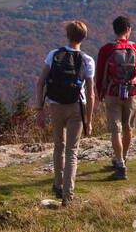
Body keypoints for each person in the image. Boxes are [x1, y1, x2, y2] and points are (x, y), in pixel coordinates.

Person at [37, 19, 96, 206]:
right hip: (76, 107)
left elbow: (40, 83)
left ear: (67, 35)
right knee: (72, 151)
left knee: (58, 146)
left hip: (55, 106)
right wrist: (89, 119)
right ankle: (68, 196)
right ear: (84, 37)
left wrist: (39, 109)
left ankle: (57, 184)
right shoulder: (87, 60)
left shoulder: (54, 54)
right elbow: (91, 93)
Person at [95, 15, 136, 180]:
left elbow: (99, 73)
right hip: (131, 93)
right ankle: (124, 156)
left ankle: (119, 163)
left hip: (112, 93)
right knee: (128, 128)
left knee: (115, 129)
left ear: (114, 30)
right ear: (128, 30)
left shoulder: (106, 49)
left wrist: (100, 92)